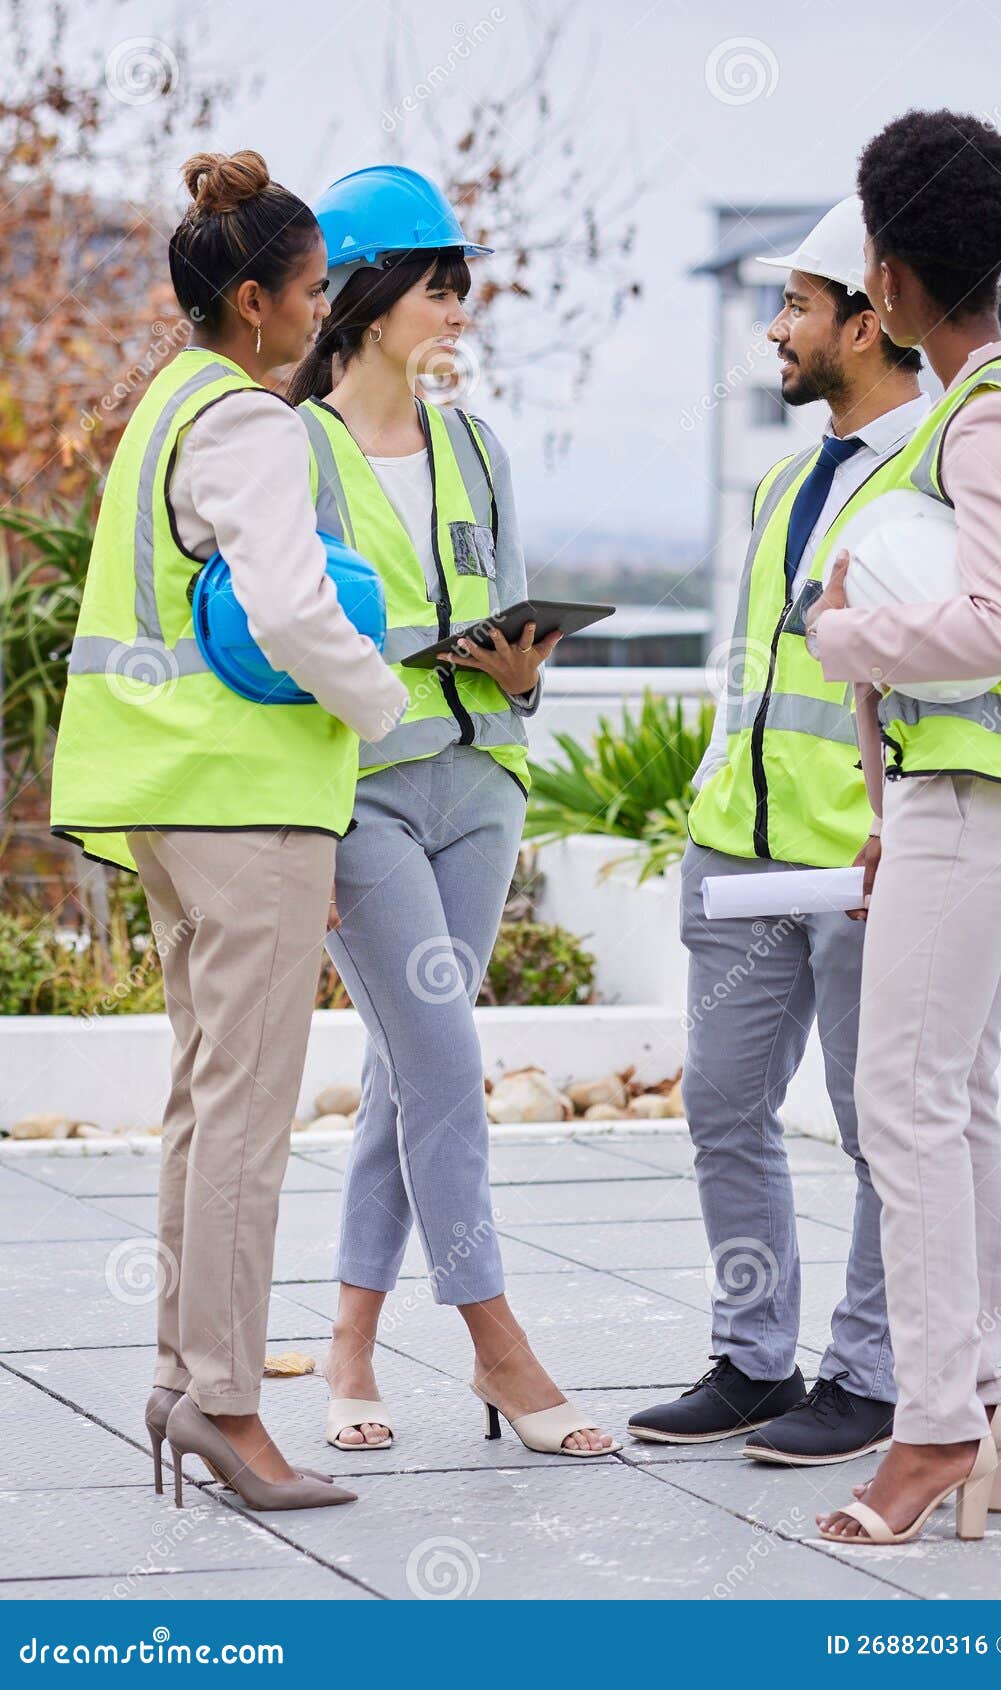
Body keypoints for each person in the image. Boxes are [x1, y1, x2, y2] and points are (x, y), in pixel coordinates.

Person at [50, 150, 409, 1512]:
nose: (325, 312)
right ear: (254, 300)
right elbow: (294, 608)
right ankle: (231, 1406)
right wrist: (378, 709)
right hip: (244, 800)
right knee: (247, 1118)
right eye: (314, 290)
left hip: (166, 796)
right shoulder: (252, 423)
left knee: (205, 1106)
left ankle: (182, 1381)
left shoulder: (169, 403)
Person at [808, 112, 1001, 1545]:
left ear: (887, 272)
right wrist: (898, 804)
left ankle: (928, 1423)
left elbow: (993, 625)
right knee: (955, 1094)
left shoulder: (987, 412)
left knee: (903, 1103)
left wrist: (850, 635)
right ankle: (977, 1393)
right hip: (971, 799)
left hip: (982, 796)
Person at [286, 166, 619, 1459]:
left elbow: (512, 609)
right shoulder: (296, 448)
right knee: (440, 1064)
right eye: (439, 287)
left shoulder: (474, 444)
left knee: (404, 1069)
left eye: (461, 288)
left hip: (480, 788)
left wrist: (523, 671)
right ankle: (496, 1339)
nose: (457, 311)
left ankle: (351, 1341)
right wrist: (298, 832)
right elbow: (278, 650)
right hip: (359, 795)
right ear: (369, 296)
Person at [628, 198, 929, 1463]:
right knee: (725, 1109)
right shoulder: (783, 478)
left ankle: (870, 1375)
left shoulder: (941, 470)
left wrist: (907, 827)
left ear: (867, 319)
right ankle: (756, 1360)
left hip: (862, 860)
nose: (775, 331)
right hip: (738, 851)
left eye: (797, 307)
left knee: (879, 1134)